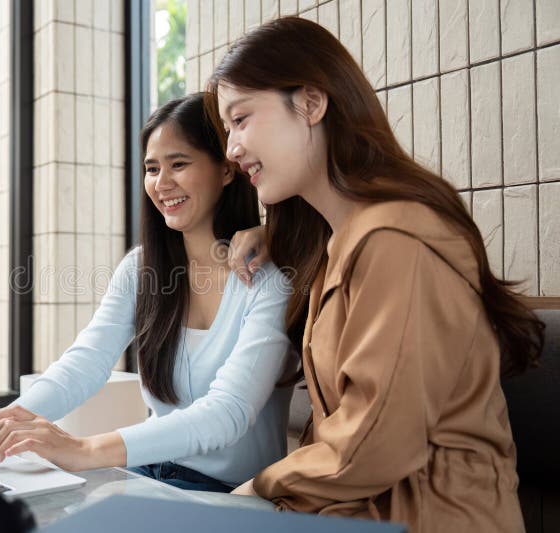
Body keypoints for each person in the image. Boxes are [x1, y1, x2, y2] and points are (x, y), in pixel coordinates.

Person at [208, 16, 543, 532]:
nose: (230, 148)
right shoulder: (340, 242)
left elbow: (376, 441)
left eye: (241, 118)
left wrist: (260, 486)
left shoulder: (395, 238)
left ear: (312, 104)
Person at [0, 93, 295, 493]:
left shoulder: (267, 277)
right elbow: (86, 363)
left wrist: (85, 449)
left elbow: (228, 413)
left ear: (227, 170)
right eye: (151, 168)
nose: (162, 184)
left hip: (232, 496)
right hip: (149, 477)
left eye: (179, 164)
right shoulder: (141, 269)